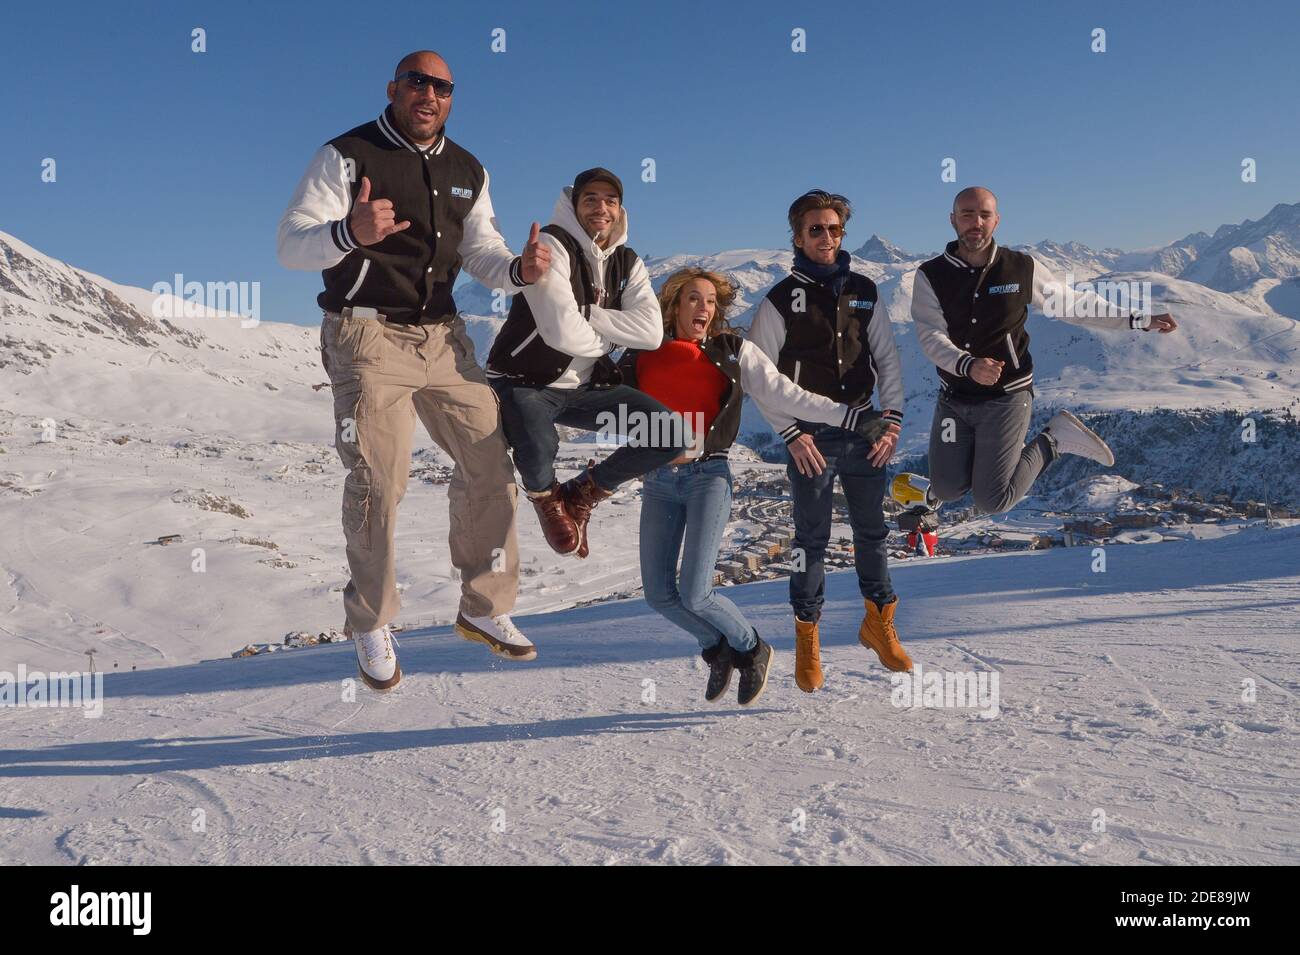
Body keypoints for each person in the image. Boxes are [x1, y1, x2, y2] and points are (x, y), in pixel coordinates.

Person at [277, 51, 550, 689]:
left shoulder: (469, 168)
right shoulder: (346, 155)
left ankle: (483, 606)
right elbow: (290, 243)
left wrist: (517, 271)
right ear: (393, 88)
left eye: (442, 87)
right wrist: (347, 232)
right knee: (379, 479)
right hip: (367, 333)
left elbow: (481, 250)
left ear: (452, 98)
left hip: (444, 338)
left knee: (491, 465)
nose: (430, 94)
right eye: (417, 82)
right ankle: (372, 620)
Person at [618, 269, 896, 705]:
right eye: (694, 299)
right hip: (657, 482)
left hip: (708, 477)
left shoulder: (732, 350)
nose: (705, 308)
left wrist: (850, 417)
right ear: (673, 305)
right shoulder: (641, 352)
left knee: (696, 593)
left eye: (711, 301)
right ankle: (717, 648)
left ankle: (750, 648)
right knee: (658, 595)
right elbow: (601, 399)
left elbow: (787, 394)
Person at [911, 186, 1179, 515]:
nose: (976, 222)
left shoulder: (1020, 267)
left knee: (991, 500)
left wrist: (1138, 319)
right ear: (953, 220)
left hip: (1006, 396)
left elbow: (1073, 304)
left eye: (984, 215)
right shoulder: (931, 275)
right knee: (946, 488)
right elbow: (930, 335)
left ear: (996, 221)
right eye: (967, 214)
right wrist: (967, 365)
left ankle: (1054, 440)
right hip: (955, 398)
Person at [750, 190, 911, 693]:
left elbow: (887, 359)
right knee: (810, 539)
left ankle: (879, 622)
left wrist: (893, 421)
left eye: (834, 229)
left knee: (873, 532)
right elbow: (757, 377)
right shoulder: (779, 300)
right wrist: (791, 433)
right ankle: (807, 636)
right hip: (812, 438)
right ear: (797, 237)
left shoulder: (865, 290)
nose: (826, 237)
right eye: (815, 229)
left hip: (865, 430)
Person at [486, 168, 684, 559]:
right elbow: (560, 332)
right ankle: (547, 498)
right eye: (590, 199)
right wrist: (615, 333)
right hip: (525, 381)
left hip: (584, 388)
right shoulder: (551, 244)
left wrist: (588, 313)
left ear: (620, 209)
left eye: (610, 200)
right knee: (540, 445)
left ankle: (582, 493)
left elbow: (651, 334)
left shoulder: (627, 262)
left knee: (668, 433)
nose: (601, 208)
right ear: (574, 204)